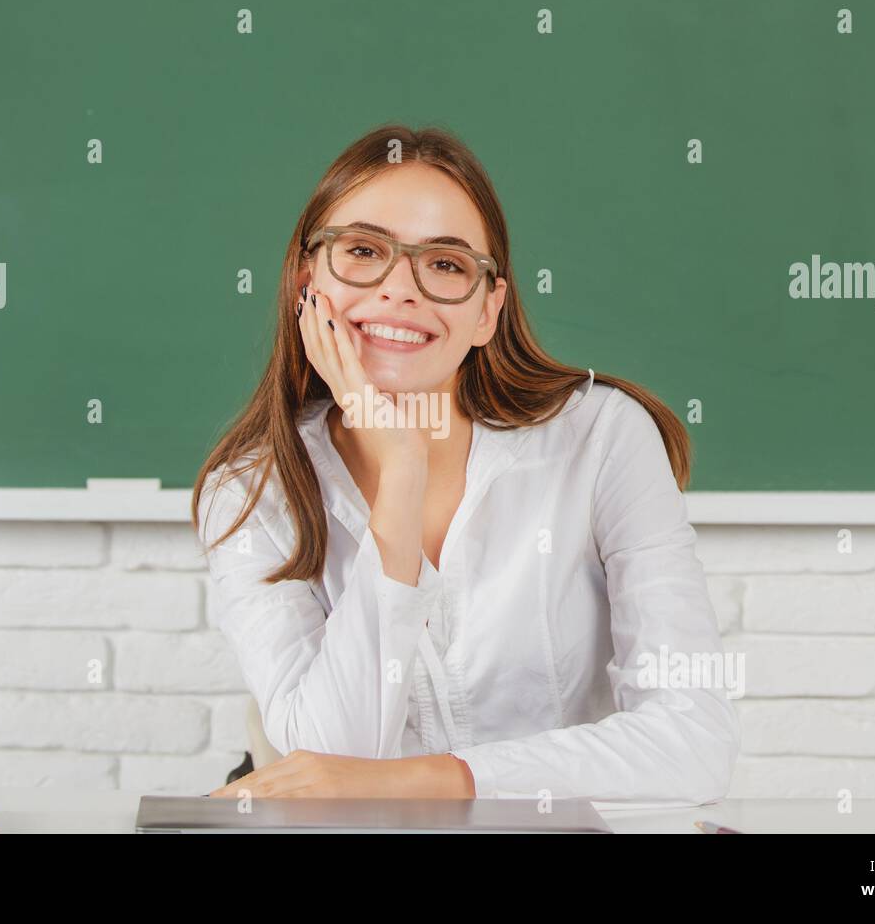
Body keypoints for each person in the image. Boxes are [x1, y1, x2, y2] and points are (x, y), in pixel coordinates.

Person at [196, 124, 740, 802]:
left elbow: (693, 742)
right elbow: (333, 770)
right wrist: (400, 474)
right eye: (363, 250)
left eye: (446, 264)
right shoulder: (250, 493)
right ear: (306, 282)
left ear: (489, 312)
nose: (400, 289)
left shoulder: (602, 440)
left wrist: (437, 778)